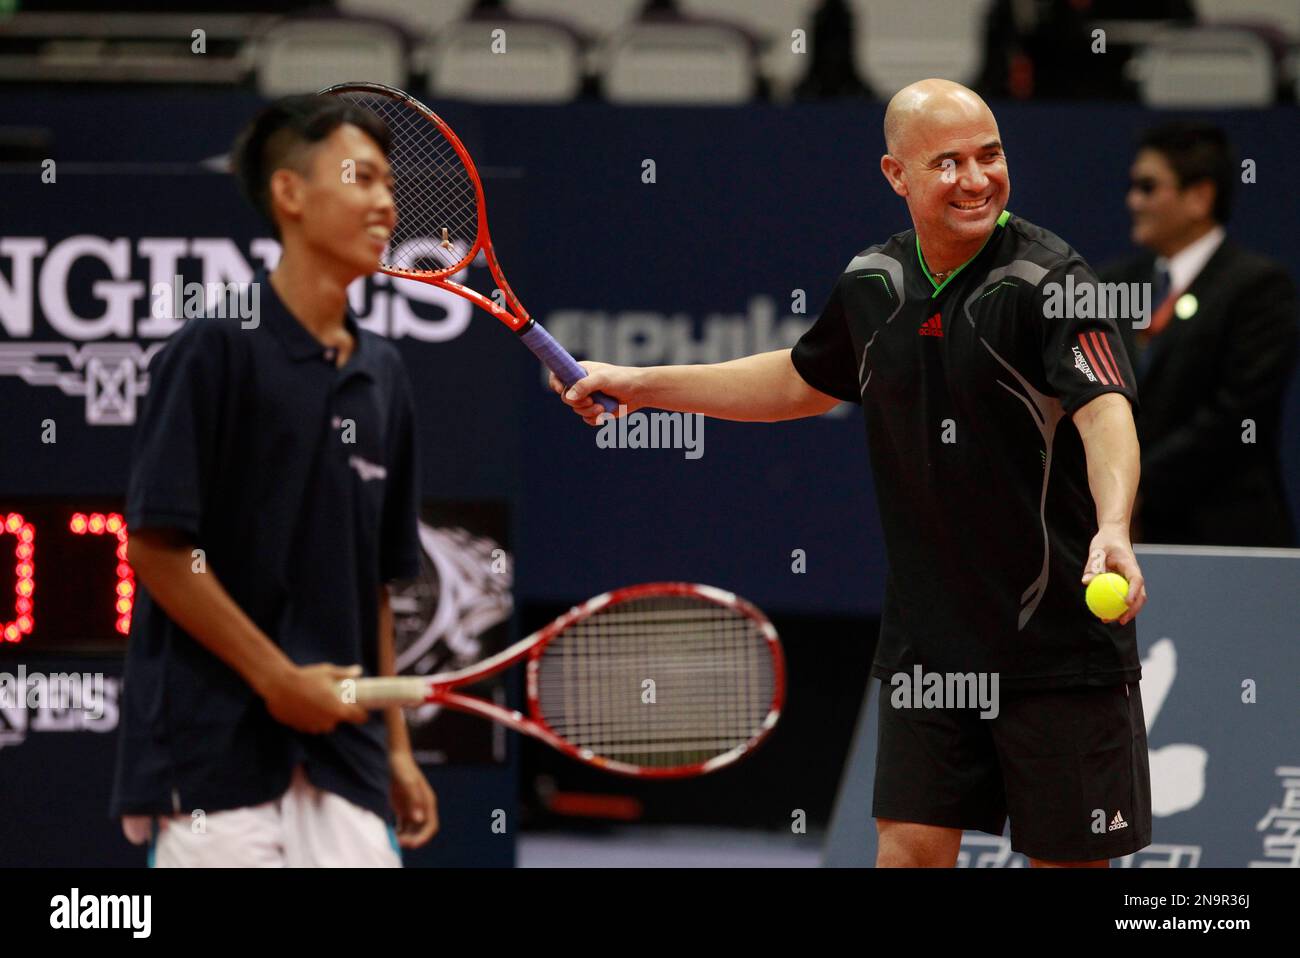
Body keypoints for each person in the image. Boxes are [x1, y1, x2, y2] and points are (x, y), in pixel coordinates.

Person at [555, 79, 1151, 868]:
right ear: (895, 174)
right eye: (948, 162)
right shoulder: (875, 281)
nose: (977, 179)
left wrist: (1112, 525)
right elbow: (799, 384)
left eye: (991, 155)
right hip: (929, 643)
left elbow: (1104, 406)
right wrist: (641, 385)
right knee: (905, 854)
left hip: (1055, 645)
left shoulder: (1053, 280)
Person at [111, 96, 438, 866]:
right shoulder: (213, 349)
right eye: (362, 178)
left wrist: (394, 750)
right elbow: (159, 550)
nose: (386, 202)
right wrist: (279, 679)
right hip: (211, 758)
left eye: (391, 185)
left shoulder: (384, 375)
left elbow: (377, 589)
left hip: (343, 762)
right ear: (290, 194)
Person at [1100, 121, 1299, 547]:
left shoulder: (1259, 287)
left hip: (1225, 538)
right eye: (1133, 186)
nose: (1132, 200)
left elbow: (1236, 416)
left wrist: (1135, 483)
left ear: (1200, 197)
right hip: (1122, 537)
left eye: (1148, 187)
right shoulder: (1113, 283)